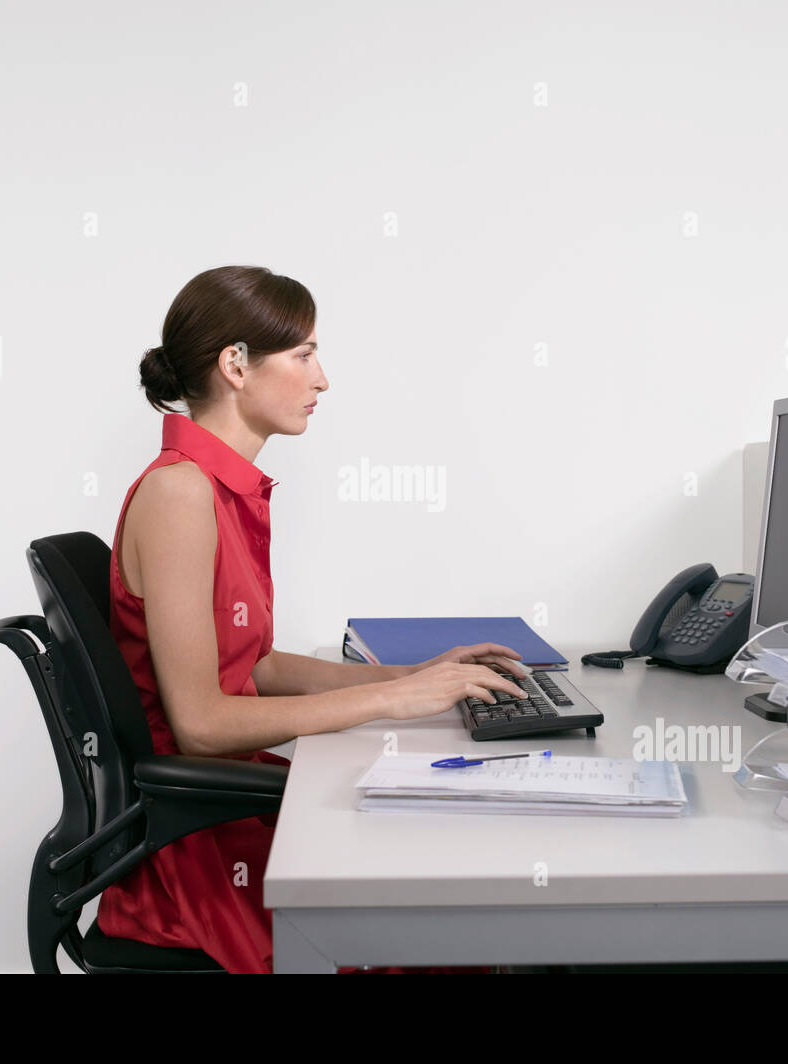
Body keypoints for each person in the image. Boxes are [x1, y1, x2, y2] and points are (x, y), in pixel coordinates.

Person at [96, 265, 527, 973]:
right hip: (195, 855)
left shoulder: (223, 486)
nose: (321, 380)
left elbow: (254, 664)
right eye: (303, 355)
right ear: (235, 364)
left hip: (231, 814)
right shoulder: (179, 494)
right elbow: (201, 722)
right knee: (454, 937)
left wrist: (414, 674)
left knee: (457, 884)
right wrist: (388, 700)